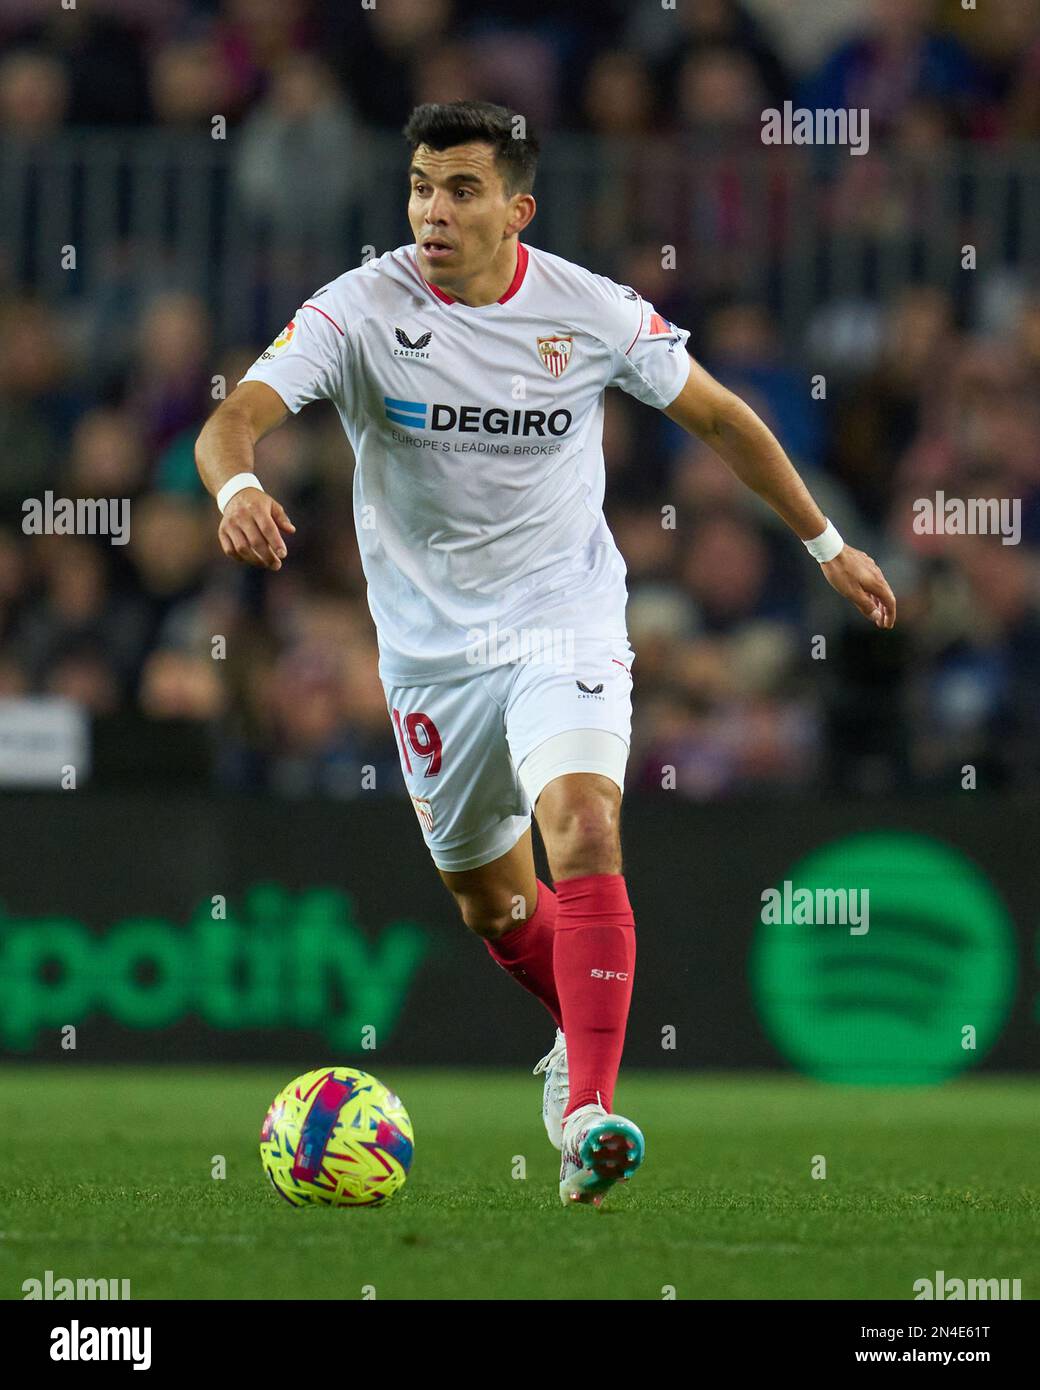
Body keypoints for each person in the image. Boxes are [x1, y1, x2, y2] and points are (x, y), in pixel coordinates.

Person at [195, 99, 896, 1207]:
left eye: (461, 189)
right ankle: (575, 1040)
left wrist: (825, 543)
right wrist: (236, 486)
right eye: (422, 185)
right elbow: (232, 415)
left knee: (583, 819)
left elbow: (721, 419)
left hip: (560, 614)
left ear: (517, 209)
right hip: (429, 654)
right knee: (492, 905)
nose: (432, 210)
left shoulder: (589, 310)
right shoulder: (361, 307)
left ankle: (584, 1115)